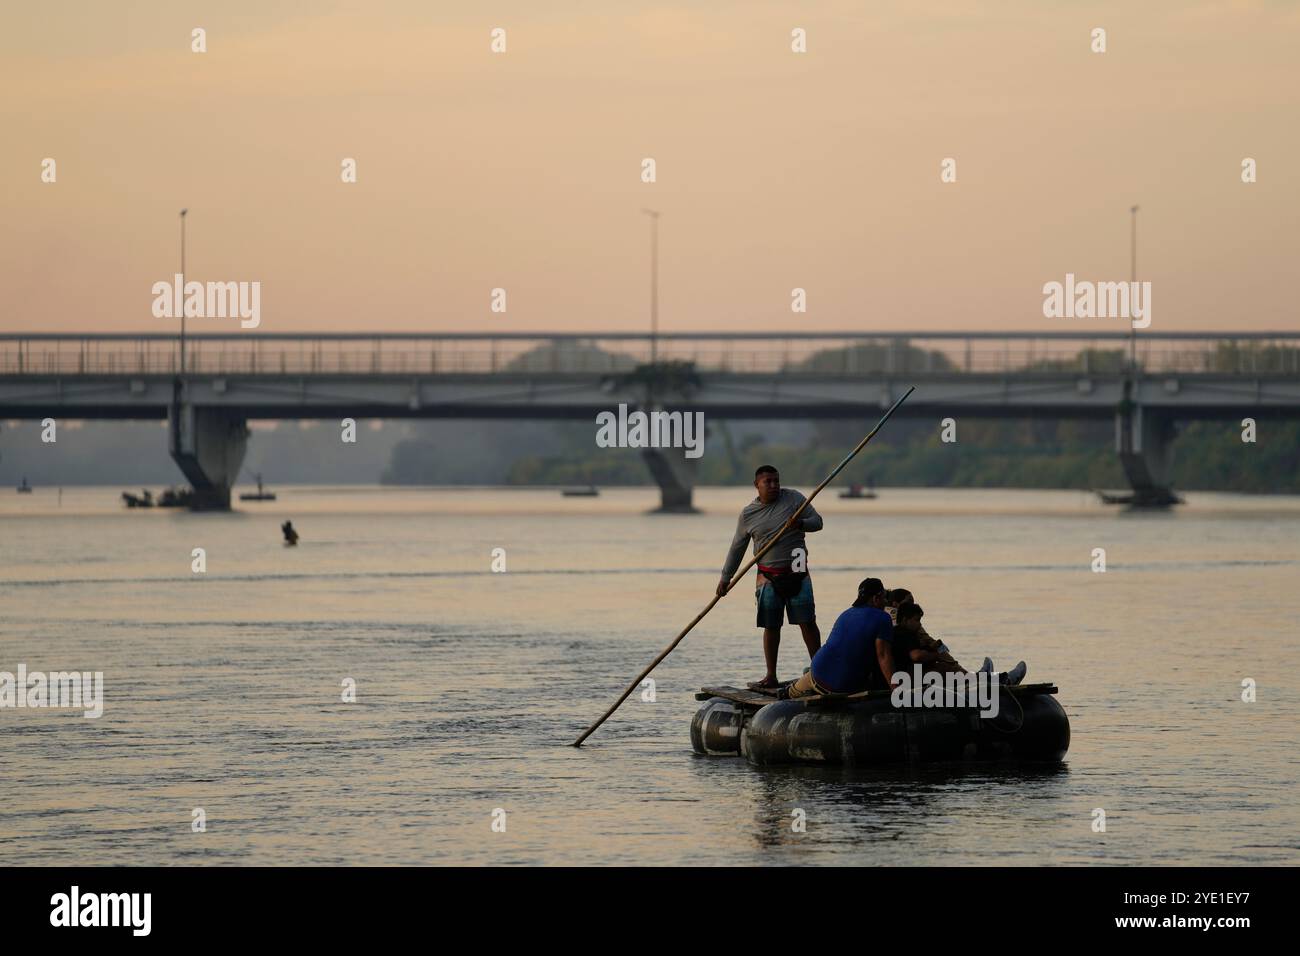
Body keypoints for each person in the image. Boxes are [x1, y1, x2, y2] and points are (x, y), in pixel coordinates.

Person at [718, 465, 823, 689]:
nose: (774, 485)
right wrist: (725, 578)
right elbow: (737, 547)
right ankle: (771, 675)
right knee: (771, 625)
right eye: (768, 482)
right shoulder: (749, 514)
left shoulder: (794, 499)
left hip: (797, 570)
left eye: (776, 480)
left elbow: (818, 522)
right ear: (757, 485)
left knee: (807, 622)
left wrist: (800, 523)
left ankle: (821, 668)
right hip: (768, 575)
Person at [785, 578, 895, 699]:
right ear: (876, 598)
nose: (885, 602)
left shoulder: (846, 614)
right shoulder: (883, 618)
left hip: (817, 674)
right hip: (841, 686)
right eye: (884, 598)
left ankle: (791, 691)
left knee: (790, 692)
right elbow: (883, 655)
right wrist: (896, 690)